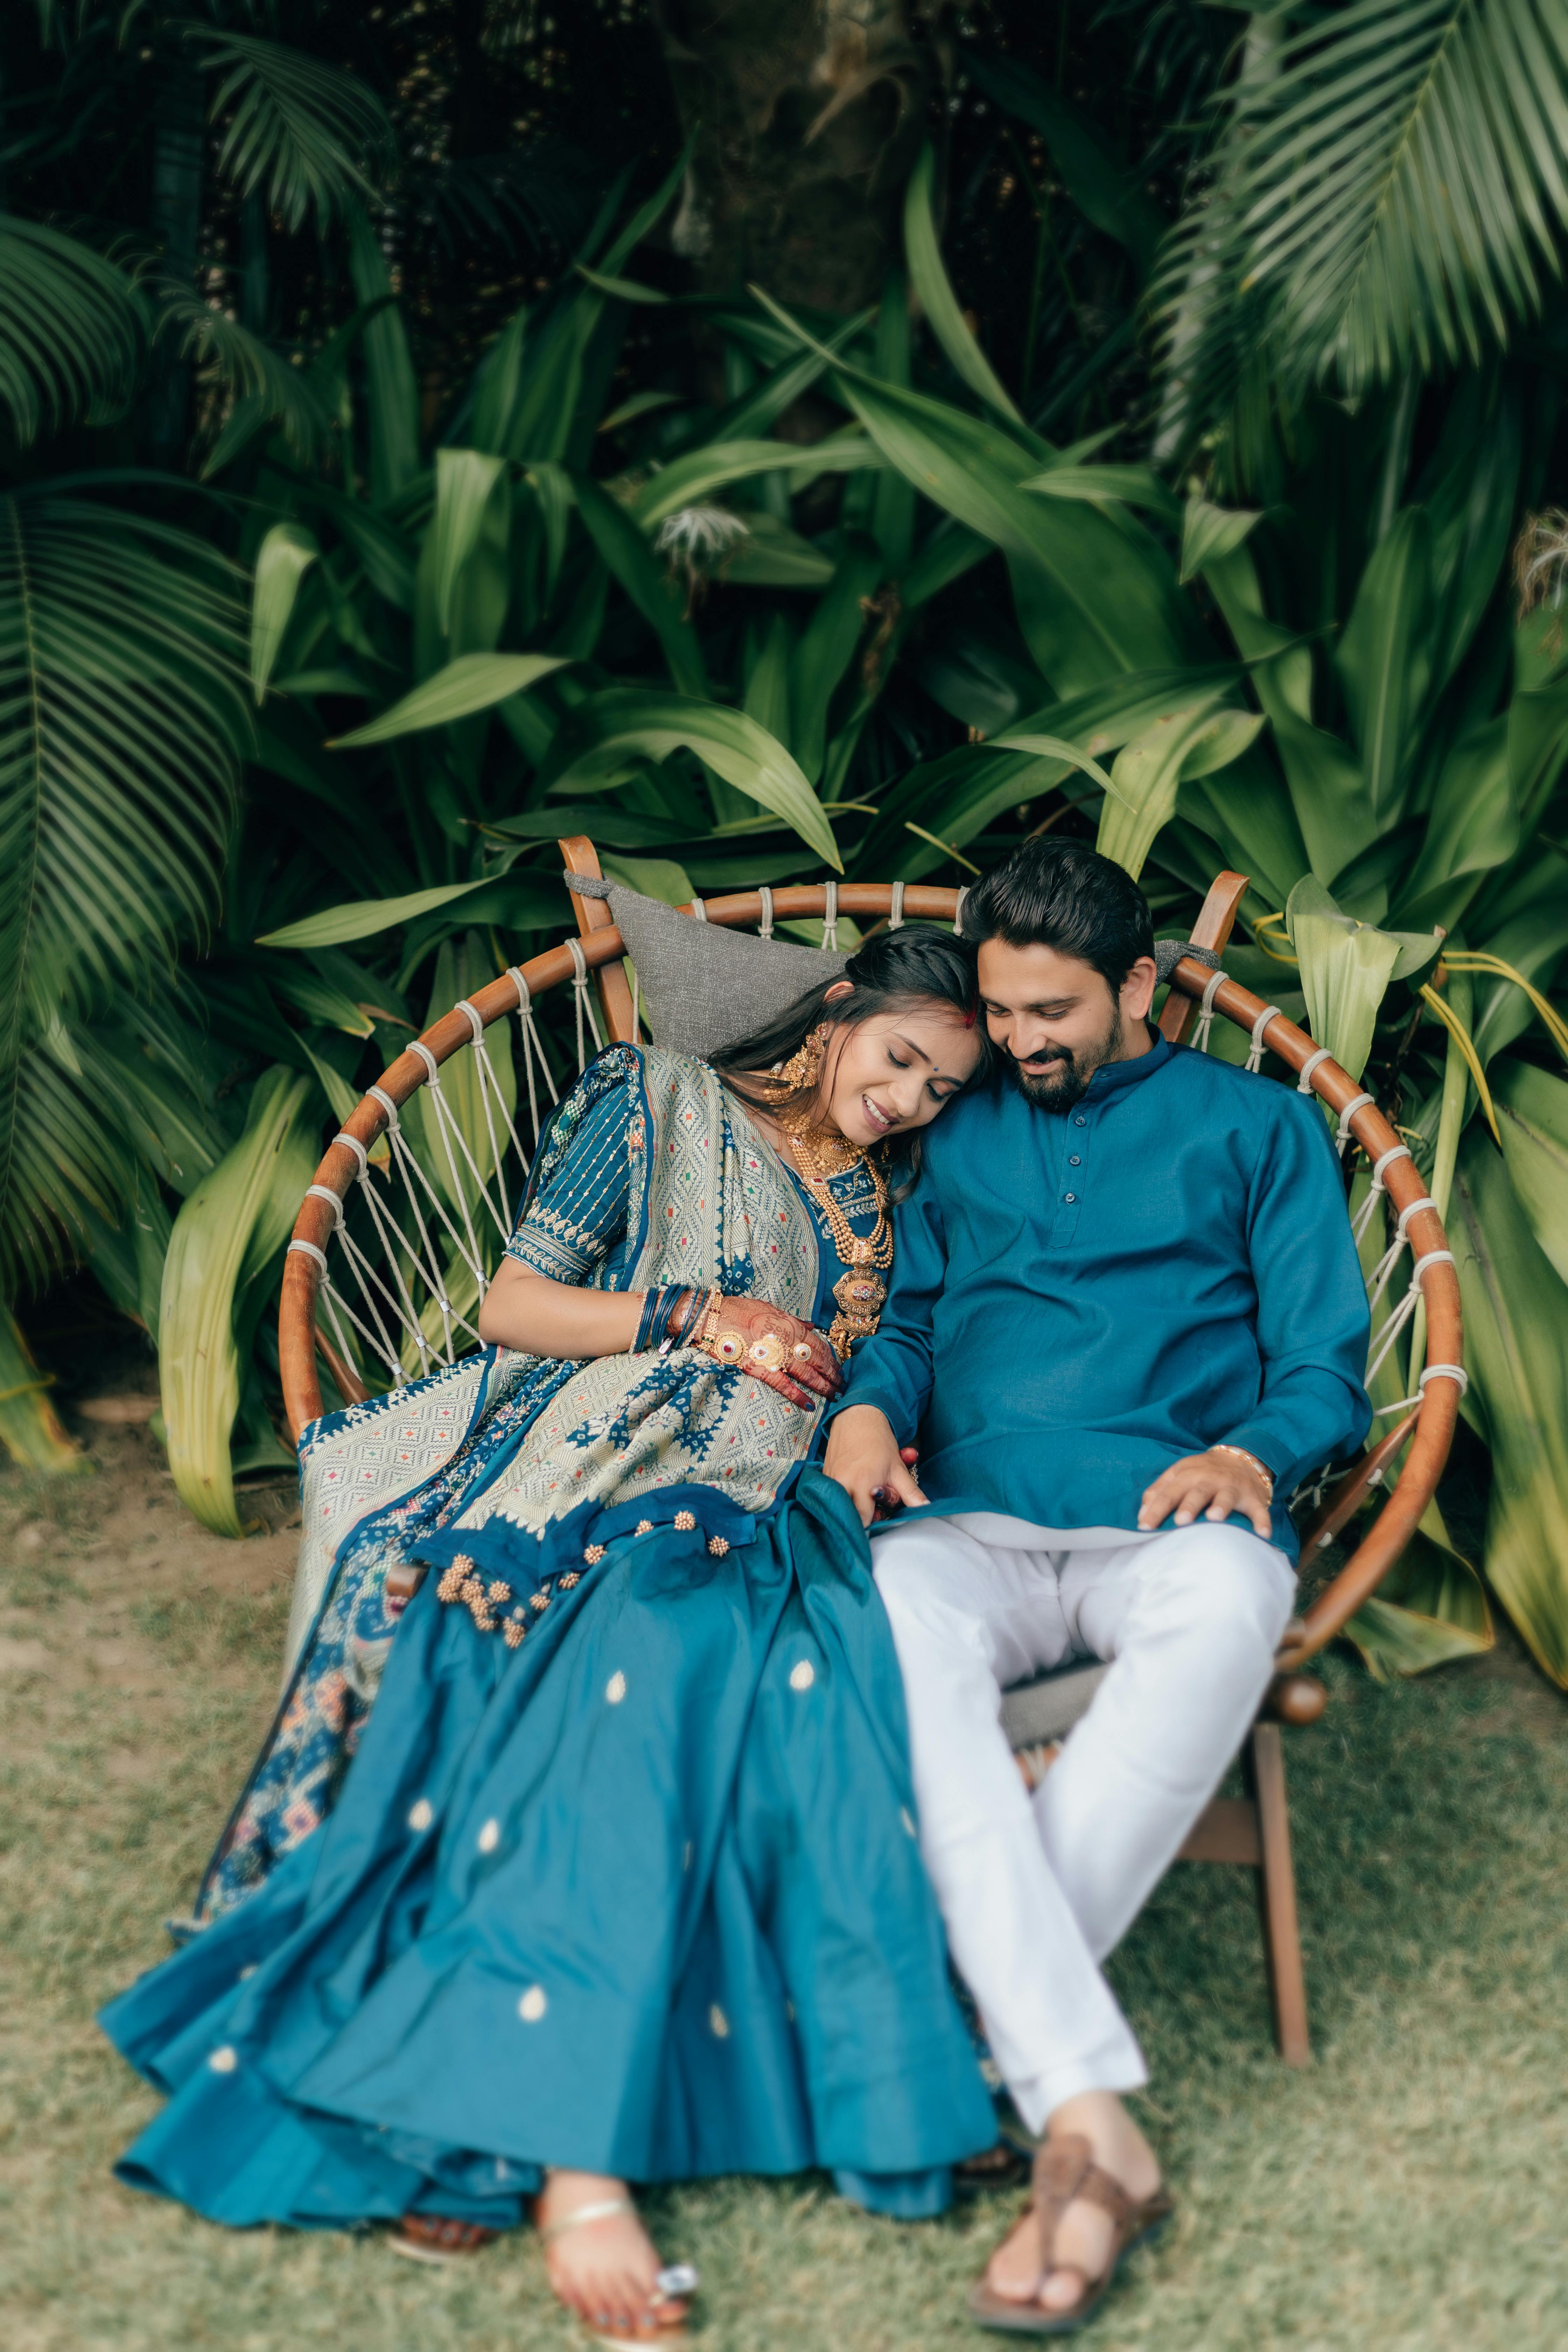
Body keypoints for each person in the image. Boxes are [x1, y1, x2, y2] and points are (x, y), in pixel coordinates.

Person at [101, 925, 996, 2350]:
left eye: (942, 1091)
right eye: (900, 1062)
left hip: (762, 1495)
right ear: (838, 1014)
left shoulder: (885, 1207)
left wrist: (856, 1424)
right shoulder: (652, 1097)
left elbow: (881, 1364)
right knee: (567, 1659)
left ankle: (548, 2109)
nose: (906, 1104)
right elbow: (512, 1308)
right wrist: (701, 1316)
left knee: (747, 1682)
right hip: (590, 1445)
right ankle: (517, 2123)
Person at [824, 839, 1372, 2337]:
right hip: (974, 1527)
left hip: (1167, 1519)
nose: (1018, 1045)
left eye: (1052, 1012)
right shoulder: (966, 1137)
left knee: (1230, 1603)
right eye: (1000, 1014)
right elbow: (912, 1330)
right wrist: (870, 1406)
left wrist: (1254, 1457)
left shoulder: (1254, 1130)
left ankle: (978, 2054)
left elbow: (1328, 1369)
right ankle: (1078, 2106)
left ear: (1138, 983)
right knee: (883, 1616)